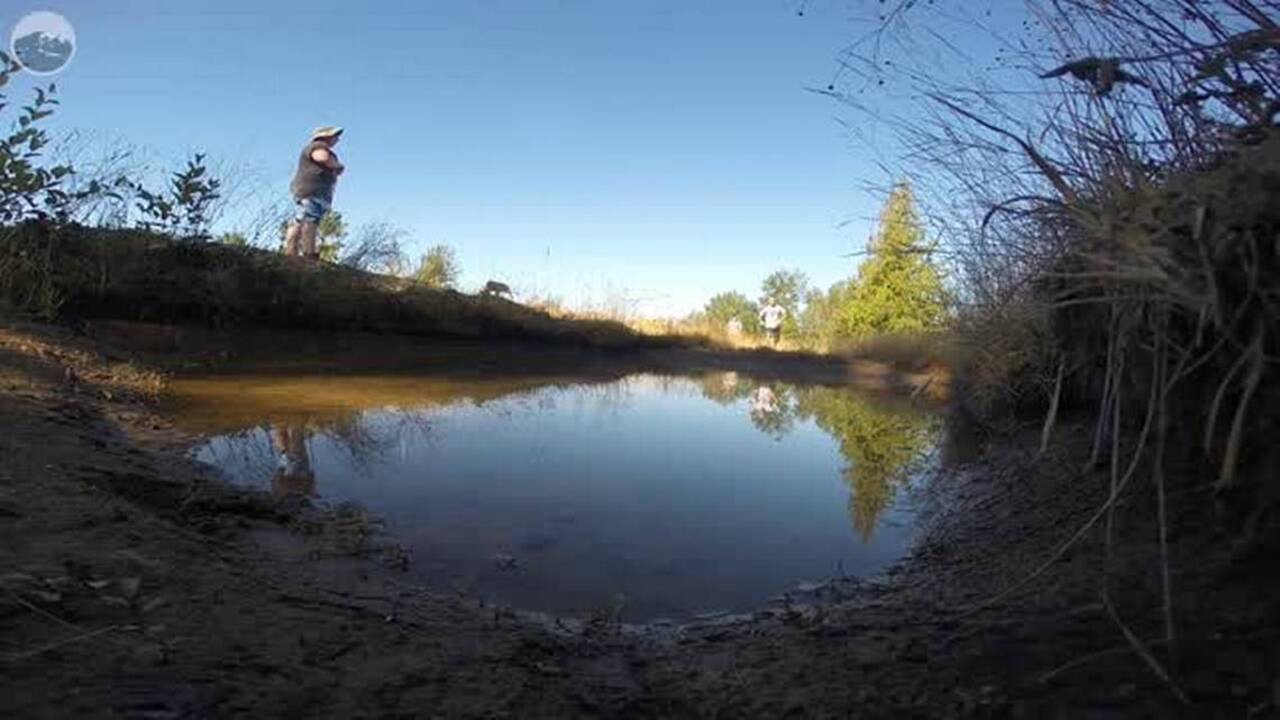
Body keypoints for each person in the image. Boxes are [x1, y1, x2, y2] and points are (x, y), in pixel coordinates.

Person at [284, 126, 345, 259]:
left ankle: (291, 253)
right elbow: (321, 157)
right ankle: (308, 253)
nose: (337, 139)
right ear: (326, 136)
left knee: (301, 219)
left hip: (314, 192)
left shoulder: (323, 149)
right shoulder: (318, 146)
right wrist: (337, 165)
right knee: (310, 220)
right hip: (311, 191)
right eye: (335, 135)